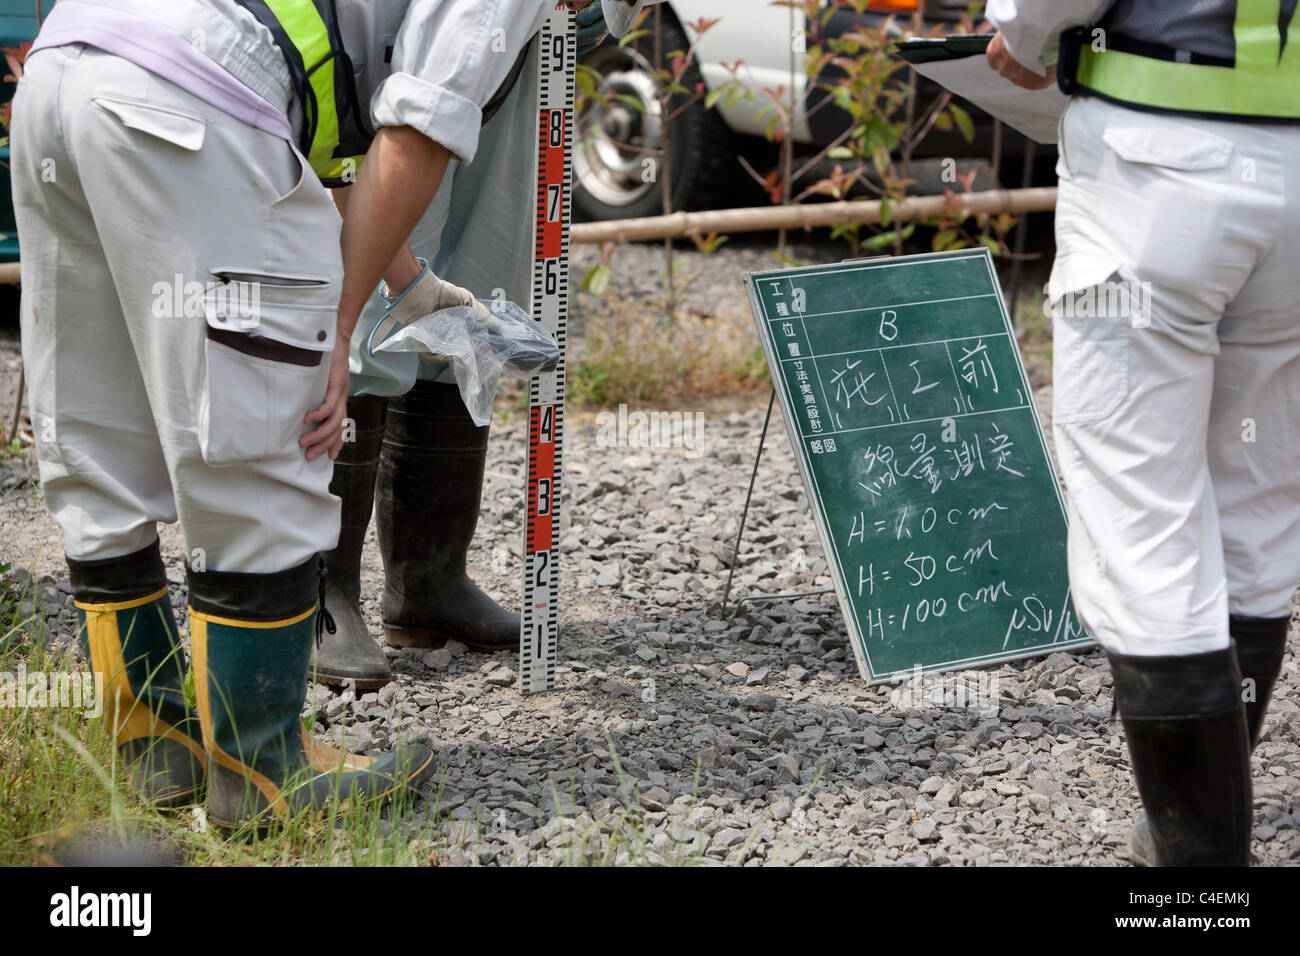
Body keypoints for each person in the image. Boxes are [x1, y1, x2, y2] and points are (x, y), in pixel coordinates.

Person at [8, 0, 462, 828]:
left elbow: (308, 128)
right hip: (187, 102)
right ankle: (261, 776)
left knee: (94, 432)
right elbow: (415, 134)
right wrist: (340, 320)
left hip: (64, 68)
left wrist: (409, 282)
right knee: (257, 440)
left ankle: (153, 748)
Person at [987, 0, 1296, 865]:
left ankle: (1197, 885)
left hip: (1159, 163)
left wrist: (1020, 33)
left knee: (1142, 510)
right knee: (1257, 499)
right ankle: (1185, 844)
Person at [314, 0, 660, 688]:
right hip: (392, 43)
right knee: (382, 291)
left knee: (478, 283)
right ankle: (321, 593)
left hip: (520, 48)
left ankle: (428, 582)